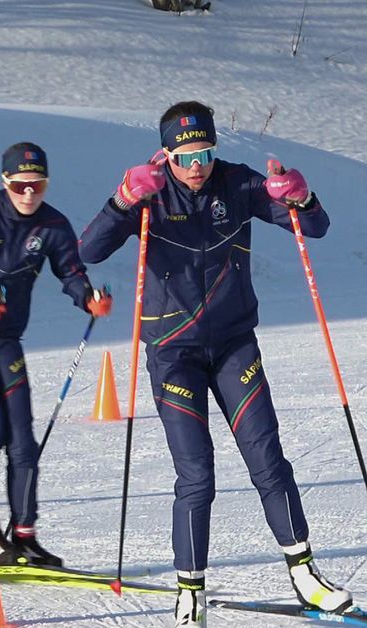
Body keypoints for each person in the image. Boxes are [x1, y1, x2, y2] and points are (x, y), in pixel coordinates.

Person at [78, 100, 353, 627]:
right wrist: (122, 200)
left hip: (232, 345)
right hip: (173, 353)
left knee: (268, 460)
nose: (197, 166)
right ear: (166, 155)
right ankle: (191, 592)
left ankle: (305, 576)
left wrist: (301, 194)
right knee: (196, 475)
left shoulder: (238, 184)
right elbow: (89, 251)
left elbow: (313, 227)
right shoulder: (150, 194)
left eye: (205, 152)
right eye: (185, 157)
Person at [0, 142, 112, 567]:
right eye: (21, 184)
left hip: (4, 335)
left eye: (38, 185)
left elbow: (70, 271)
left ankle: (24, 536)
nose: (29, 193)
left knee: (23, 439)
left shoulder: (52, 224)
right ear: (5, 182)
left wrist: (88, 298)